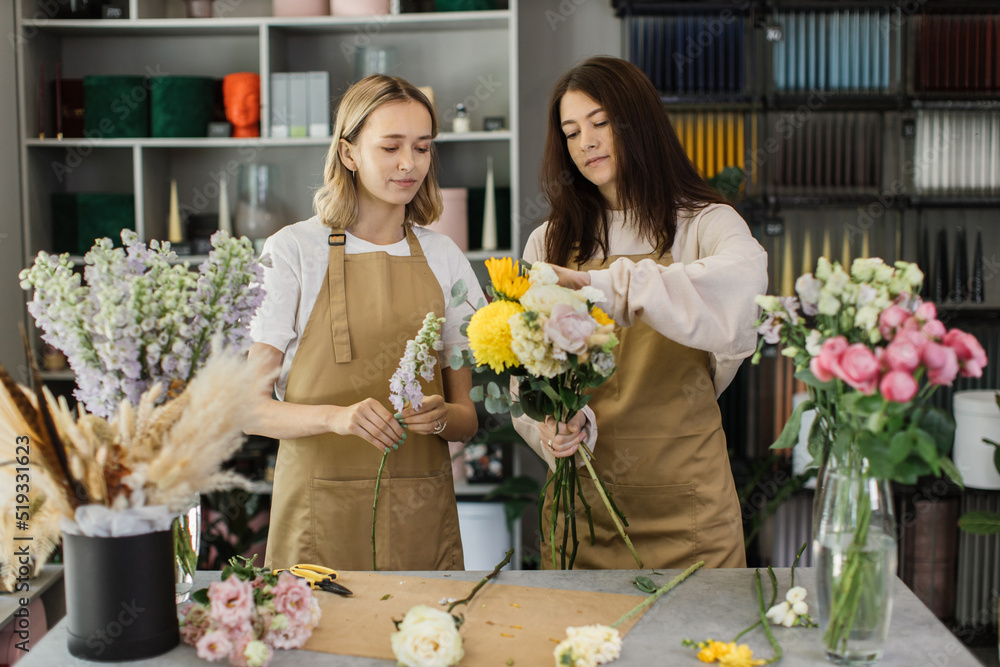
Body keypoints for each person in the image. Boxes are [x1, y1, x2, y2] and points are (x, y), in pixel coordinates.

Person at [513, 56, 768, 570]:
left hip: (688, 506)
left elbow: (744, 294)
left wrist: (598, 285)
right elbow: (520, 377)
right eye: (571, 132)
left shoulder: (706, 225)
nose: (586, 142)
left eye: (601, 123)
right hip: (583, 504)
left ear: (639, 122)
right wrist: (546, 427)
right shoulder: (549, 240)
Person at [246, 74, 485, 571]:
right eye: (391, 146)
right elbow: (250, 410)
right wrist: (336, 418)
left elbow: (467, 419)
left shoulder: (445, 258)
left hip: (420, 514)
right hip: (318, 516)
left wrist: (440, 415)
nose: (409, 164)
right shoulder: (291, 251)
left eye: (422, 148)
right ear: (349, 152)